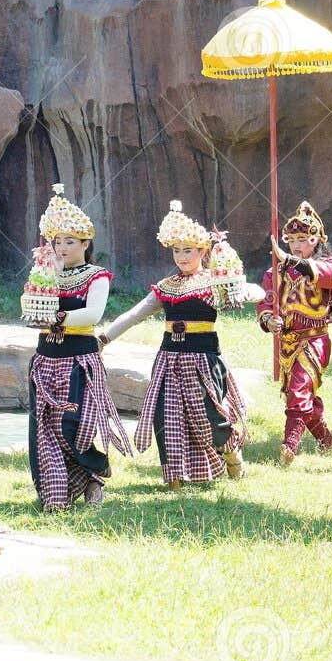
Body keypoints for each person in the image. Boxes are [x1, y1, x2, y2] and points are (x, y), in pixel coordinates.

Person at [98, 201, 254, 488]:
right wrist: (105, 337)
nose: (182, 257)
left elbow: (250, 292)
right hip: (169, 361)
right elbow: (135, 314)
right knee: (166, 418)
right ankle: (174, 481)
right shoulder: (166, 286)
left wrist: (241, 286)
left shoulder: (214, 281)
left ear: (203, 251)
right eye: (176, 250)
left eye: (188, 250)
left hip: (203, 361)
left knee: (210, 415)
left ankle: (232, 454)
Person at [22, 184, 132, 511]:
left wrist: (54, 316)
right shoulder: (45, 273)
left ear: (86, 243)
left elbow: (93, 314)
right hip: (45, 358)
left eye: (70, 241)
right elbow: (29, 306)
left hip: (78, 360)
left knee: (71, 425)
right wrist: (43, 290)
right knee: (44, 428)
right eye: (56, 242)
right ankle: (56, 491)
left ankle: (95, 469)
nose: (62, 247)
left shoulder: (96, 276)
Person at [257, 201, 332, 465]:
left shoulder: (327, 265)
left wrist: (291, 260)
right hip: (288, 342)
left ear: (315, 240)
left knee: (299, 390)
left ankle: (288, 447)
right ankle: (325, 439)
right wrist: (269, 319)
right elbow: (266, 301)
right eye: (291, 239)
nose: (296, 245)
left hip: (314, 339)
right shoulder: (275, 271)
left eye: (303, 239)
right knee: (301, 394)